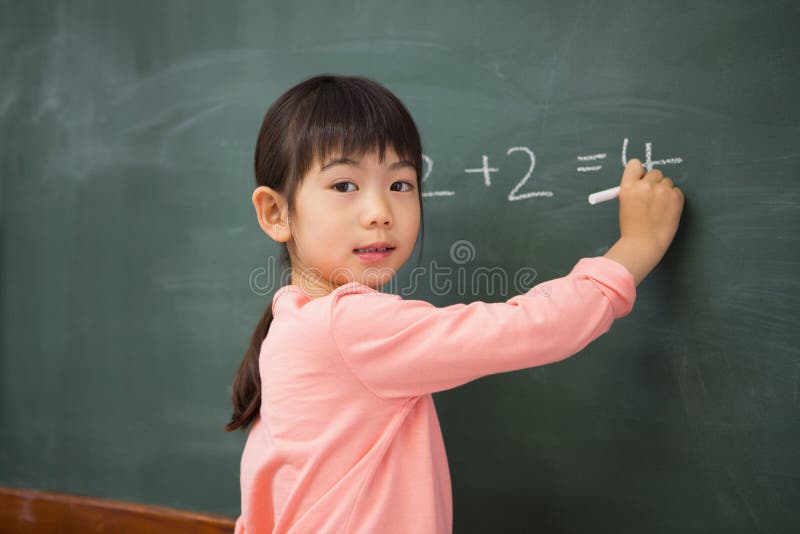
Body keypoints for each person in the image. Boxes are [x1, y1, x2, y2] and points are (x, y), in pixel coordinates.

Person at [225, 74, 684, 533]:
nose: (380, 212)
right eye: (344, 186)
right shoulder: (347, 326)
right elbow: (533, 327)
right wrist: (638, 245)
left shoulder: (291, 326)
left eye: (400, 184)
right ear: (276, 213)